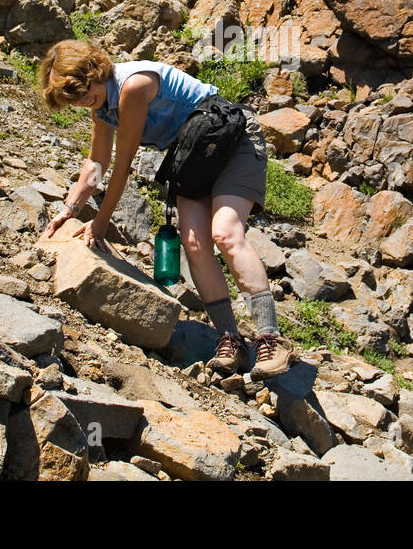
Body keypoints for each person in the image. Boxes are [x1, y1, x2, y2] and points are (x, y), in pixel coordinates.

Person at [38, 39, 294, 378]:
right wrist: (70, 209)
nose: (85, 100)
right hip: (192, 155)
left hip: (232, 138)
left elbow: (122, 164)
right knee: (194, 243)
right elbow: (97, 163)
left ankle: (270, 338)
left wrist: (100, 223)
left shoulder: (132, 86)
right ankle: (230, 339)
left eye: (84, 89)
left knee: (225, 232)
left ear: (94, 70)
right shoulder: (101, 108)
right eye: (75, 99)